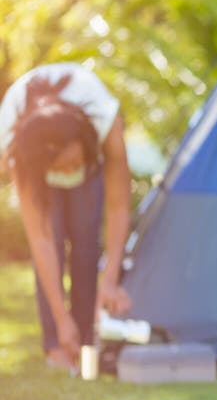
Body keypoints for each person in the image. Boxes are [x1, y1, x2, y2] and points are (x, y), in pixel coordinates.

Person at [0, 63, 132, 371]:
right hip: (34, 167)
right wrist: (62, 318)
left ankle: (86, 341)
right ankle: (58, 343)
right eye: (61, 168)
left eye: (71, 163)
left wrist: (110, 280)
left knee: (86, 246)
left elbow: (118, 207)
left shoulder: (104, 121)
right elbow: (40, 238)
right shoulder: (16, 144)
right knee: (53, 246)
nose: (68, 173)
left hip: (91, 162)